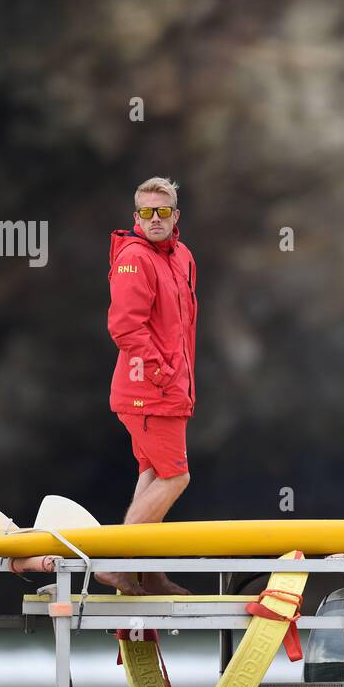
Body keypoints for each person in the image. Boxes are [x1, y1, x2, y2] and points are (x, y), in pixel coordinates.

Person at [97, 177, 197, 596]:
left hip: (170, 389)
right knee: (176, 477)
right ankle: (114, 562)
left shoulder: (184, 257)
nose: (153, 219)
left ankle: (144, 569)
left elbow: (182, 329)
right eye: (145, 212)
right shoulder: (133, 258)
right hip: (148, 391)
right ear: (135, 216)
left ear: (175, 215)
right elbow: (124, 327)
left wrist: (179, 379)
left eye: (162, 211)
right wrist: (160, 375)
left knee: (152, 472)